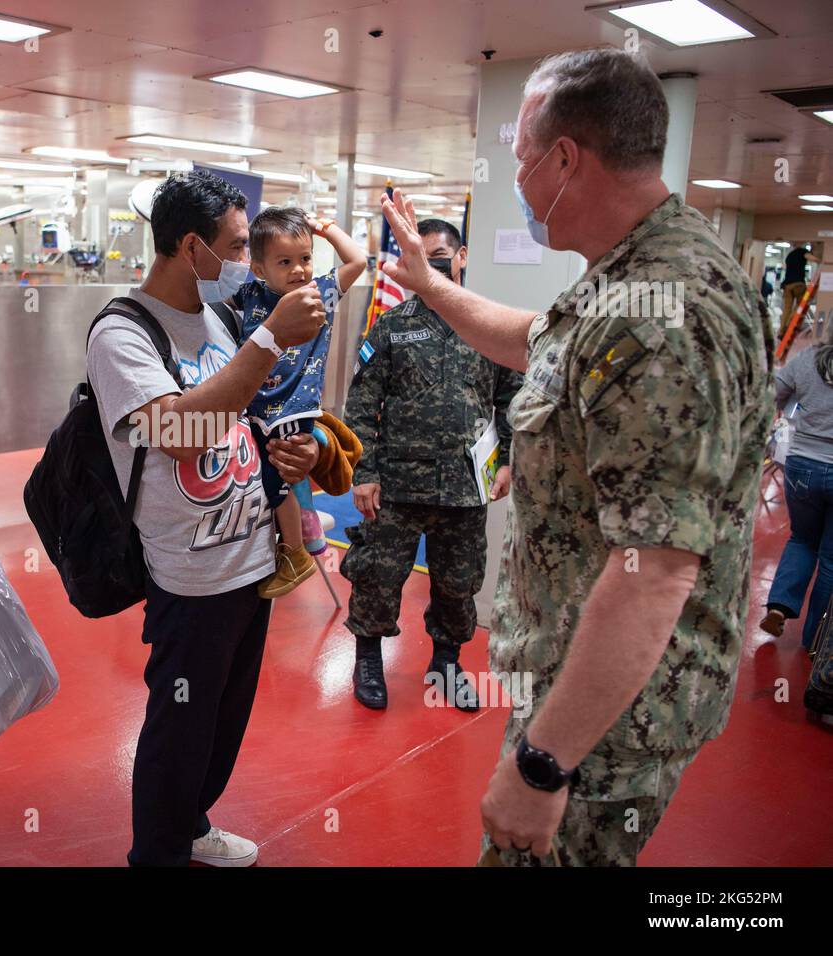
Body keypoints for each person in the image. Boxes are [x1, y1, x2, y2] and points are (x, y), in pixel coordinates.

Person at [376, 48, 771, 866]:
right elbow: (537, 344)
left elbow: (654, 572)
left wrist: (542, 763)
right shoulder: (625, 278)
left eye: (520, 158)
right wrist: (429, 284)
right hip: (575, 688)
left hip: (605, 729)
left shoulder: (665, 316)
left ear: (563, 159)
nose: (515, 180)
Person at [86, 169, 323, 866]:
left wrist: (290, 451)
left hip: (251, 560)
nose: (247, 262)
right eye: (239, 246)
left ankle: (191, 826)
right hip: (190, 574)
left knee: (223, 725)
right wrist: (270, 342)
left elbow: (236, 417)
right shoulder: (122, 332)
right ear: (192, 248)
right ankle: (156, 853)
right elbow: (180, 433)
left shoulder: (217, 318)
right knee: (179, 732)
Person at [342, 219, 522, 713]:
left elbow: (512, 400)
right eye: (426, 257)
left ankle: (446, 663)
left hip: (465, 489)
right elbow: (361, 405)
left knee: (458, 582)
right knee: (378, 575)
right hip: (398, 485)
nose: (436, 265)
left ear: (462, 257)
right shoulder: (392, 327)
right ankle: (369, 658)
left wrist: (506, 459)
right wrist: (365, 472)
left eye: (443, 256)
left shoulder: (488, 325)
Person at [230, 205, 366, 597]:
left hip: (294, 407)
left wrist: (324, 228)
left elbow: (356, 260)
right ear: (259, 268)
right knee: (261, 477)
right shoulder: (249, 292)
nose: (299, 270)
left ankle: (295, 552)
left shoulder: (318, 293)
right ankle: (290, 544)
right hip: (255, 407)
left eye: (305, 259)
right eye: (285, 261)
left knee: (278, 480)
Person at [760, 330, 833, 650]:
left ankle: (779, 605)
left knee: (802, 539)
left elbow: (772, 394)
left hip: (803, 464)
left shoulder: (807, 360)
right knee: (830, 557)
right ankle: (814, 639)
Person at [778, 242, 816, 331]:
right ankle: (789, 324)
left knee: (787, 309)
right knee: (800, 305)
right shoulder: (802, 252)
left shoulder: (789, 255)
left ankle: (781, 330)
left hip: (787, 285)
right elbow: (812, 258)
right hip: (798, 284)